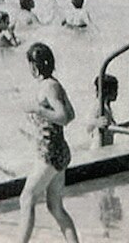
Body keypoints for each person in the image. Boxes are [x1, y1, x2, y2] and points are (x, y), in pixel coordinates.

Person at [17, 42, 79, 243]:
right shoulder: (55, 84)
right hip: (59, 150)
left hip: (49, 152)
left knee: (27, 198)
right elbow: (71, 115)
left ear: (34, 66)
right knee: (55, 207)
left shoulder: (47, 87)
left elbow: (63, 117)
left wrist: (38, 109)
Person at [87, 72, 118, 148]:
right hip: (98, 148)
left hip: (106, 148)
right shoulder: (98, 106)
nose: (117, 93)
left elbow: (114, 128)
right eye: (115, 90)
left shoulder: (107, 107)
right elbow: (88, 127)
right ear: (107, 90)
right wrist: (96, 123)